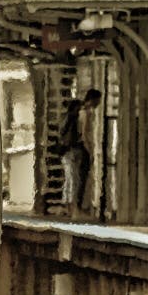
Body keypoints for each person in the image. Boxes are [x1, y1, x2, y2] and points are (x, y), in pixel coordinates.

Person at [59, 88, 102, 218]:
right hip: (76, 149)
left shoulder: (77, 112)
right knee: (76, 180)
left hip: (67, 149)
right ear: (92, 100)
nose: (98, 103)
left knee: (70, 178)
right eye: (97, 101)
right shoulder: (85, 113)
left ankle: (67, 207)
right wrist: (90, 151)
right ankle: (74, 209)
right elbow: (84, 134)